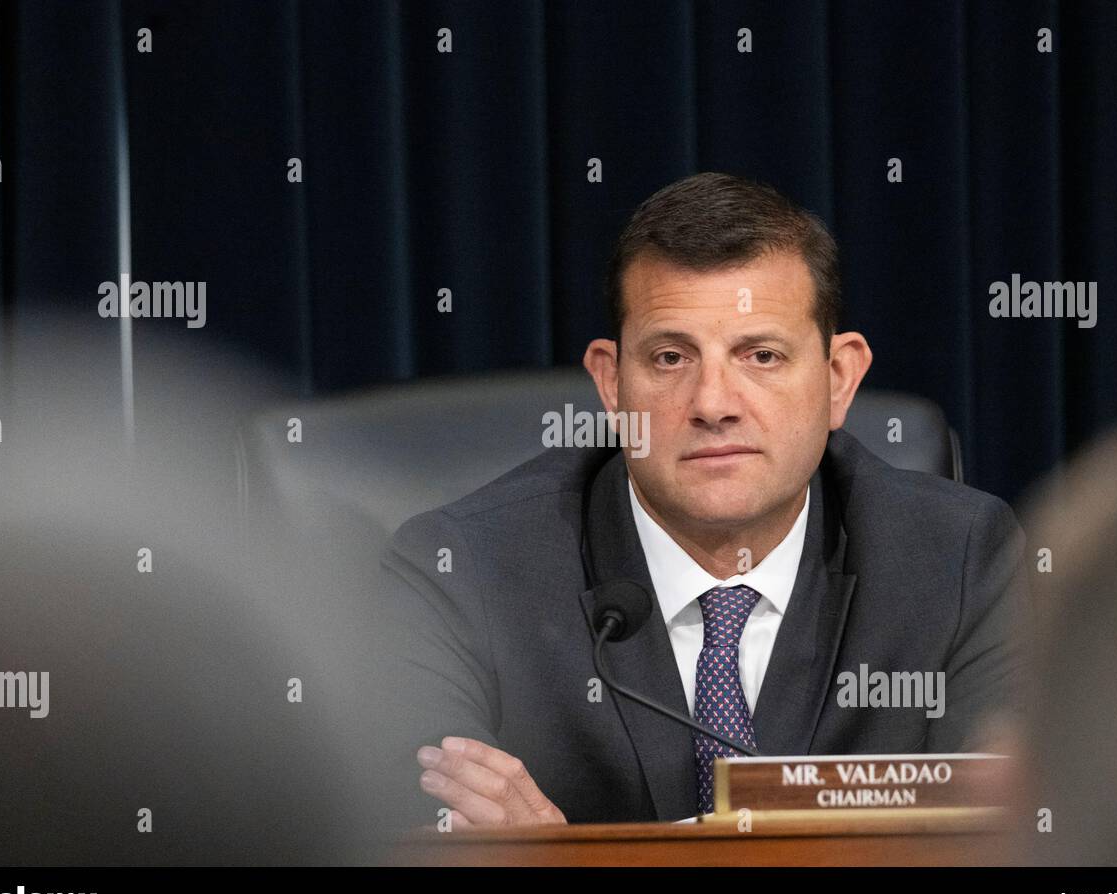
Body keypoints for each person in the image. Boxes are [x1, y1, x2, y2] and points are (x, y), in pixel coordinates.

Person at [376, 171, 1030, 829]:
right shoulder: (462, 570)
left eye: (762, 356)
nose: (714, 404)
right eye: (669, 359)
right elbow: (404, 832)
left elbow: (1012, 837)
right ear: (610, 382)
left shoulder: (959, 561)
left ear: (838, 379)